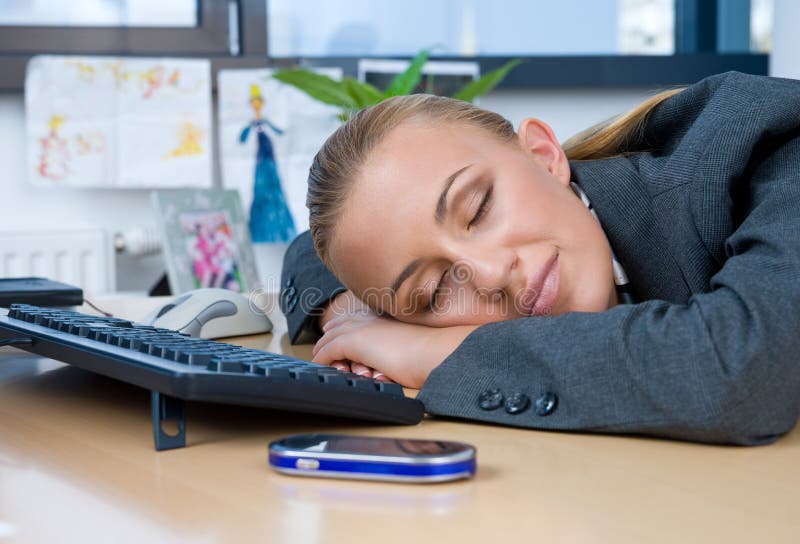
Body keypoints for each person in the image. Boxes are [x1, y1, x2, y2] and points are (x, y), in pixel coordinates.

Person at [279, 71, 800, 445]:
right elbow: (310, 250)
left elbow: (745, 371)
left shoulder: (766, 143)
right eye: (434, 291)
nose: (488, 273)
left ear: (545, 155)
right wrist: (354, 318)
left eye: (479, 208)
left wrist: (435, 351)